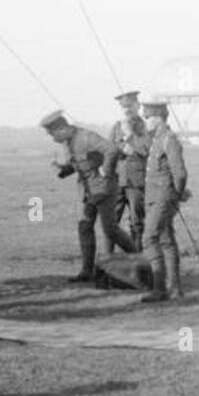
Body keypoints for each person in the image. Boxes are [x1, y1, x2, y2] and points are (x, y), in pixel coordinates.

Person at [39, 110, 135, 283]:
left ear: (62, 128)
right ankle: (86, 271)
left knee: (110, 230)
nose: (52, 138)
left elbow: (111, 150)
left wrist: (105, 171)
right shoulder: (67, 143)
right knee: (84, 227)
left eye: (52, 134)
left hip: (104, 188)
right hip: (86, 190)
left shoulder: (87, 137)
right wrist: (62, 170)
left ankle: (141, 262)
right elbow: (78, 164)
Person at [138, 94, 189, 303]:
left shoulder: (169, 139)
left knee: (148, 238)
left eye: (149, 117)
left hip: (163, 198)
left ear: (159, 117)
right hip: (154, 197)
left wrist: (176, 194)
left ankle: (160, 288)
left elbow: (180, 173)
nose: (146, 121)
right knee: (166, 240)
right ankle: (174, 290)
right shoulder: (156, 140)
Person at [109, 90, 150, 252]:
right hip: (118, 180)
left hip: (137, 181)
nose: (127, 110)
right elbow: (109, 150)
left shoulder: (144, 126)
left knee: (137, 221)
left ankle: (137, 256)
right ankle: (107, 259)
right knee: (111, 221)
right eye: (123, 107)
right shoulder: (116, 126)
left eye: (130, 106)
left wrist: (131, 138)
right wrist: (121, 149)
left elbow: (146, 150)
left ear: (137, 106)